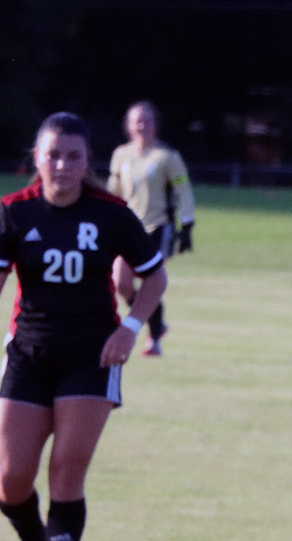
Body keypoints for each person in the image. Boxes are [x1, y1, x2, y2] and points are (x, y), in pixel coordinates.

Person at [0, 112, 168, 541]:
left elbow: (154, 279)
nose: (63, 166)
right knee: (11, 481)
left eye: (73, 156)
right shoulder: (15, 212)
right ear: (37, 159)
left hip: (92, 356)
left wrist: (129, 329)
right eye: (53, 155)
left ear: (88, 161)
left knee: (66, 472)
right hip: (27, 353)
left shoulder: (112, 214)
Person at [107, 100, 195, 357]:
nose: (142, 125)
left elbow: (183, 191)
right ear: (129, 126)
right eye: (137, 120)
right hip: (127, 228)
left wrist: (187, 224)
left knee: (149, 282)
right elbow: (114, 193)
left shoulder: (167, 157)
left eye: (147, 120)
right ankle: (156, 321)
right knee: (121, 283)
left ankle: (154, 338)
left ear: (155, 126)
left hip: (158, 227)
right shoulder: (121, 155)